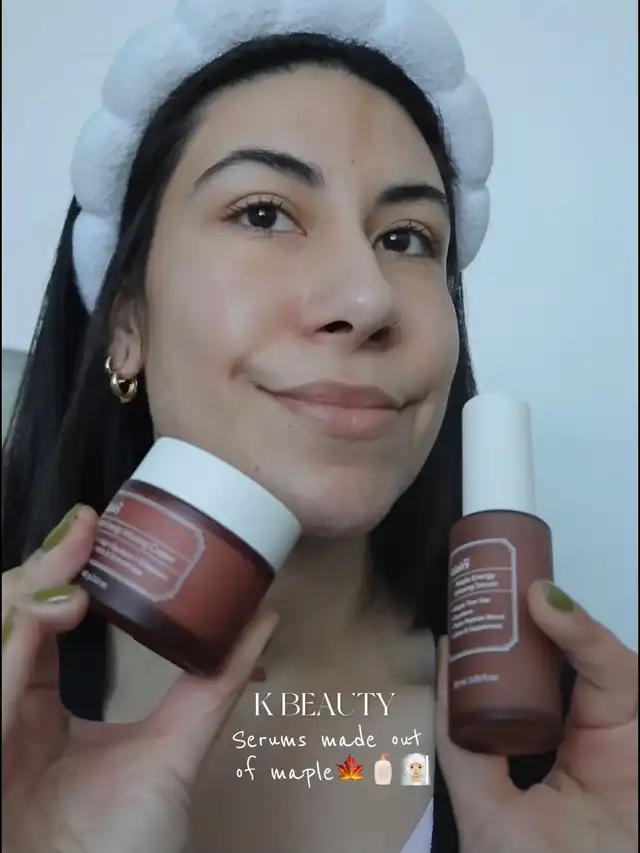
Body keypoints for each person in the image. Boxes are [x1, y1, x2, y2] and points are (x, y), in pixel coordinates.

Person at [2, 2, 637, 852]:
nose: (367, 298)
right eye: (264, 214)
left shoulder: (566, 764)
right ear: (127, 321)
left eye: (407, 238)